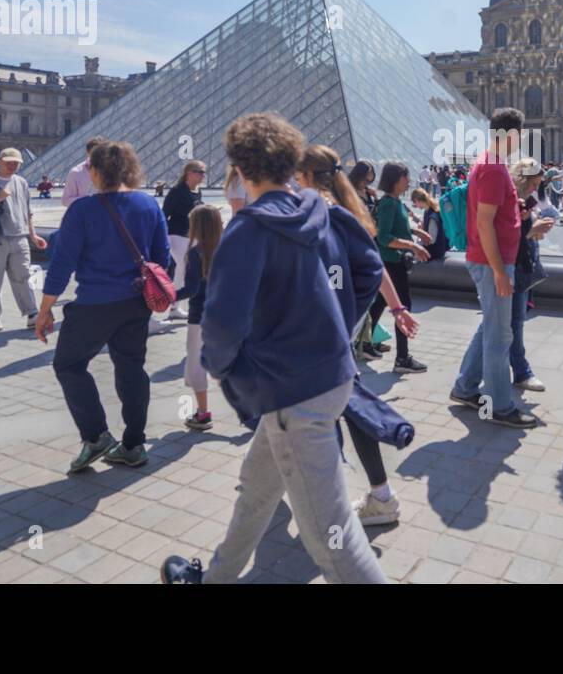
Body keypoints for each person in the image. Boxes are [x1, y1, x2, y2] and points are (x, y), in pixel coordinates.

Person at [160, 113, 387, 584]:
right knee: (257, 490)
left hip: (294, 395)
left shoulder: (247, 230)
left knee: (335, 541)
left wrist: (234, 371)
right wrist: (336, 328)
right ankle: (218, 577)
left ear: (240, 170)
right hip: (333, 376)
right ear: (291, 163)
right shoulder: (319, 209)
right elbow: (367, 268)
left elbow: (222, 327)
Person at [296, 144, 418, 526]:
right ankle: (373, 495)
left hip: (317, 336)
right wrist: (396, 309)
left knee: (328, 413)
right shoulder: (350, 214)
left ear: (303, 178)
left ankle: (343, 500)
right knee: (344, 408)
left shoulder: (315, 218)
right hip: (337, 332)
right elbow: (374, 267)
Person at [35, 141, 171, 470]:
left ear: (94, 172)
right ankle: (134, 444)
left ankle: (96, 436)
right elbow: (162, 259)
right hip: (135, 303)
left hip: (94, 304)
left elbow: (61, 264)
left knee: (68, 365)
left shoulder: (82, 210)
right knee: (131, 369)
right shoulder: (148, 205)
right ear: (129, 170)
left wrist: (45, 309)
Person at [449, 108, 538, 428]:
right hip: (492, 263)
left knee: (491, 326)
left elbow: (494, 217)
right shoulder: (493, 169)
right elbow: (484, 223)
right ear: (511, 135)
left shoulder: (490, 164)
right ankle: (499, 406)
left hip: (492, 260)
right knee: (500, 336)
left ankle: (465, 388)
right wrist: (500, 271)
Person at [368, 162, 430, 375]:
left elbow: (396, 228)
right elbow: (384, 237)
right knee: (403, 306)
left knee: (379, 303)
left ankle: (364, 344)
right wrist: (411, 244)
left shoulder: (394, 202)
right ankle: (402, 357)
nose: (409, 181)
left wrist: (416, 233)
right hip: (391, 262)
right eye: (405, 177)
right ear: (396, 179)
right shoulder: (388, 204)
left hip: (392, 261)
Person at [0, 148, 47, 332]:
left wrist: (33, 235)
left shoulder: (21, 182)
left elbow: (27, 211)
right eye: (9, 162)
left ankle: (32, 313)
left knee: (23, 276)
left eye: (16, 162)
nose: (13, 165)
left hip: (20, 237)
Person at [508, 158, 556, 393]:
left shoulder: (527, 200)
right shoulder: (511, 200)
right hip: (513, 267)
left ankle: (467, 381)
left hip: (522, 266)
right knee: (514, 323)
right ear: (522, 179)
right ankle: (521, 371)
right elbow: (507, 237)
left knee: (512, 323)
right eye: (534, 183)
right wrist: (533, 231)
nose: (536, 189)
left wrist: (536, 230)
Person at [174, 203, 223, 431]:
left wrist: (170, 295)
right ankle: (255, 411)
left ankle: (202, 413)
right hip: (226, 314)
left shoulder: (196, 253)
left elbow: (192, 289)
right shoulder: (229, 249)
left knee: (196, 363)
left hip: (199, 316)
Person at [163, 160, 206, 321]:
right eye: (199, 171)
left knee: (184, 269)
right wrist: (162, 238)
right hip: (176, 235)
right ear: (189, 173)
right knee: (185, 266)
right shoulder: (177, 191)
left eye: (204, 172)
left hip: (191, 235)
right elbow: (164, 213)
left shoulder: (197, 191)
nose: (203, 175)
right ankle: (172, 300)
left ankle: (174, 306)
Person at [61, 136, 106, 207]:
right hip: (85, 215)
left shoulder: (112, 171)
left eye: (102, 152)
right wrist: (89, 200)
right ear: (88, 153)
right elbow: (66, 200)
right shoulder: (75, 173)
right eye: (95, 153)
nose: (99, 156)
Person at [410, 187, 449, 261]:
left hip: (435, 252)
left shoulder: (432, 217)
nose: (416, 206)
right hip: (437, 249)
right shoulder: (428, 210)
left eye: (415, 203)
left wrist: (420, 234)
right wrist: (414, 217)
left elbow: (431, 240)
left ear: (418, 201)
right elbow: (424, 223)